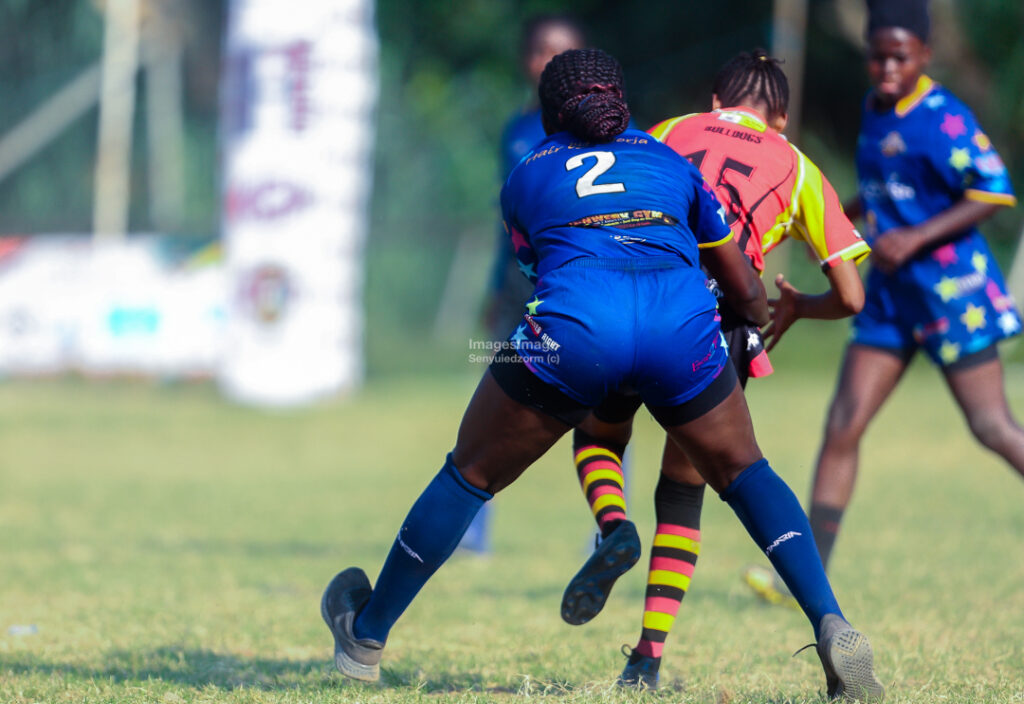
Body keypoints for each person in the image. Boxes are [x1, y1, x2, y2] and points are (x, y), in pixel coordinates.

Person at [321, 48, 883, 702]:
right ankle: (829, 621)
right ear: (621, 101)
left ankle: (366, 634)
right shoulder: (667, 160)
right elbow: (745, 287)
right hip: (683, 329)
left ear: (548, 116)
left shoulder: (527, 172)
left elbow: (537, 268)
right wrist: (759, 316)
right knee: (745, 474)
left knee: (469, 474)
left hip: (578, 330)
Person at [555, 50, 871, 689]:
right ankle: (647, 658)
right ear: (780, 117)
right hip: (716, 328)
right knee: (684, 489)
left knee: (598, 438)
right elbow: (852, 297)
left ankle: (613, 525)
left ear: (715, 101)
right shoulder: (799, 167)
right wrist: (799, 307)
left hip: (637, 297)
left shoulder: (669, 130)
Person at [745, 0, 1022, 603]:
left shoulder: (943, 116)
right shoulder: (874, 107)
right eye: (877, 56)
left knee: (991, 426)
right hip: (890, 299)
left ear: (925, 54)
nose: (888, 68)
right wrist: (831, 217)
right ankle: (806, 577)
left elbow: (994, 192)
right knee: (843, 425)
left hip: (953, 295)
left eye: (900, 56)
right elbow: (881, 194)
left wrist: (916, 237)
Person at [462, 14, 588, 555]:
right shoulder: (516, 129)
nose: (546, 63)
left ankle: (608, 530)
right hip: (519, 289)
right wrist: (497, 287)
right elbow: (506, 223)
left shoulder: (602, 128)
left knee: (604, 411)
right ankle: (470, 530)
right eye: (539, 51)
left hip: (577, 291)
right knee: (492, 403)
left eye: (560, 53)